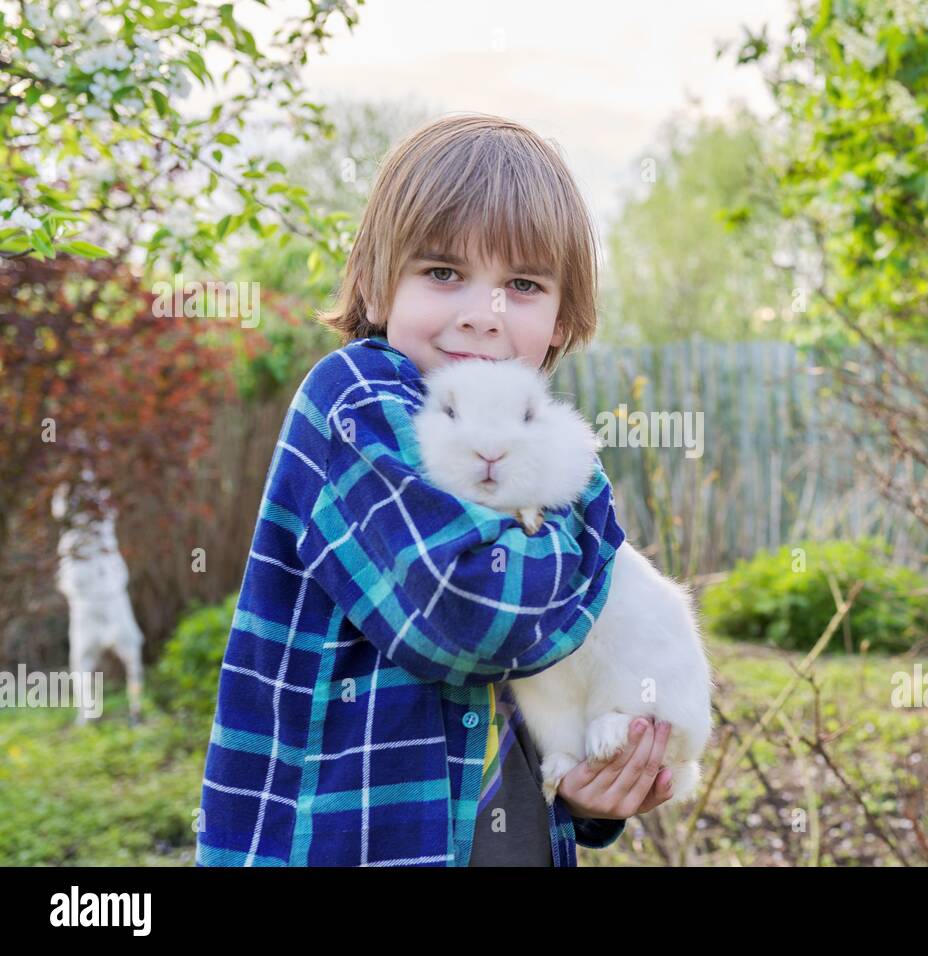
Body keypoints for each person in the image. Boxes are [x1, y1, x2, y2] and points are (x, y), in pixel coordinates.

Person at [197, 113, 674, 867]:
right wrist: (581, 518)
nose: (481, 318)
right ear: (378, 285)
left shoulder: (535, 441)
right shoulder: (357, 403)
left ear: (561, 319)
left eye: (521, 284)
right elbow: (469, 615)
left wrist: (584, 790)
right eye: (444, 272)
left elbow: (553, 667)